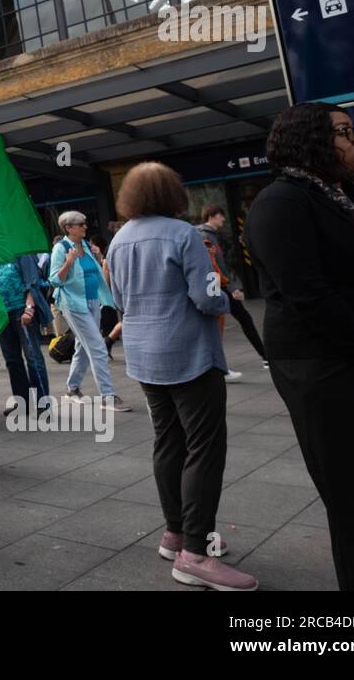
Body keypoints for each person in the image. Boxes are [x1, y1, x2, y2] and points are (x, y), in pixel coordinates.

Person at [244, 102, 354, 590]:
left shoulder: (349, 198)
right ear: (309, 140)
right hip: (329, 374)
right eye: (344, 132)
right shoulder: (282, 203)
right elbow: (311, 297)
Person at [108, 163, 256, 591]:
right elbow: (207, 298)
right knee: (204, 447)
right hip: (189, 353)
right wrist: (225, 298)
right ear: (174, 194)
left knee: (168, 440)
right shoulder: (184, 235)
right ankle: (195, 552)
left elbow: (118, 299)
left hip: (144, 356)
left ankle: (176, 533)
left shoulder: (119, 238)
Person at [49, 211, 130, 411]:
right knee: (98, 348)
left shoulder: (84, 245)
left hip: (93, 302)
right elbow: (54, 280)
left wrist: (99, 257)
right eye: (81, 224)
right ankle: (107, 396)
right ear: (69, 228)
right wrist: (68, 262)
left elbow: (93, 272)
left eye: (85, 223)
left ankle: (72, 389)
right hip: (74, 305)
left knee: (83, 347)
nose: (85, 227)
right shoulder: (61, 248)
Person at [196, 204, 265, 379]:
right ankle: (221, 368)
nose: (223, 219)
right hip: (219, 287)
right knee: (222, 325)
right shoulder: (206, 236)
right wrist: (230, 287)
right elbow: (213, 266)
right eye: (220, 216)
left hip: (220, 286)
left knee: (235, 321)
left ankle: (261, 357)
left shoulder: (211, 235)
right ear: (211, 216)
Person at [0, 255, 52, 414]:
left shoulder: (21, 251)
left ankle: (43, 404)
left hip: (22, 311)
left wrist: (29, 308)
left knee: (33, 358)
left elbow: (32, 282)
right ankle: (22, 403)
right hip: (3, 314)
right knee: (12, 361)